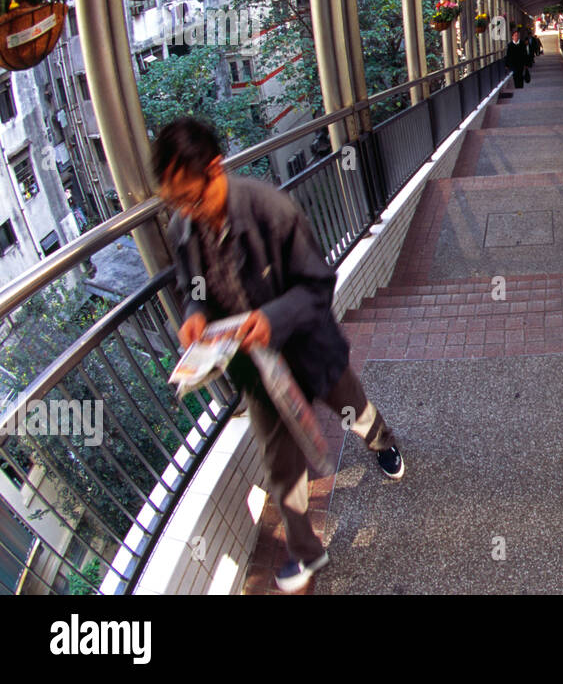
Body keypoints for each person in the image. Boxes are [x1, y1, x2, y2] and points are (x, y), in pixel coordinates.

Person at [155, 117, 402, 594]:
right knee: (281, 462)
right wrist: (194, 311)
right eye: (176, 201)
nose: (187, 210)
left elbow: (317, 285)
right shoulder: (183, 227)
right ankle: (307, 552)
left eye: (192, 195)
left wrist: (273, 318)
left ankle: (382, 441)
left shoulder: (271, 210)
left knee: (353, 408)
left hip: (308, 348)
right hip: (255, 366)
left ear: (215, 168)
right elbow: (194, 289)